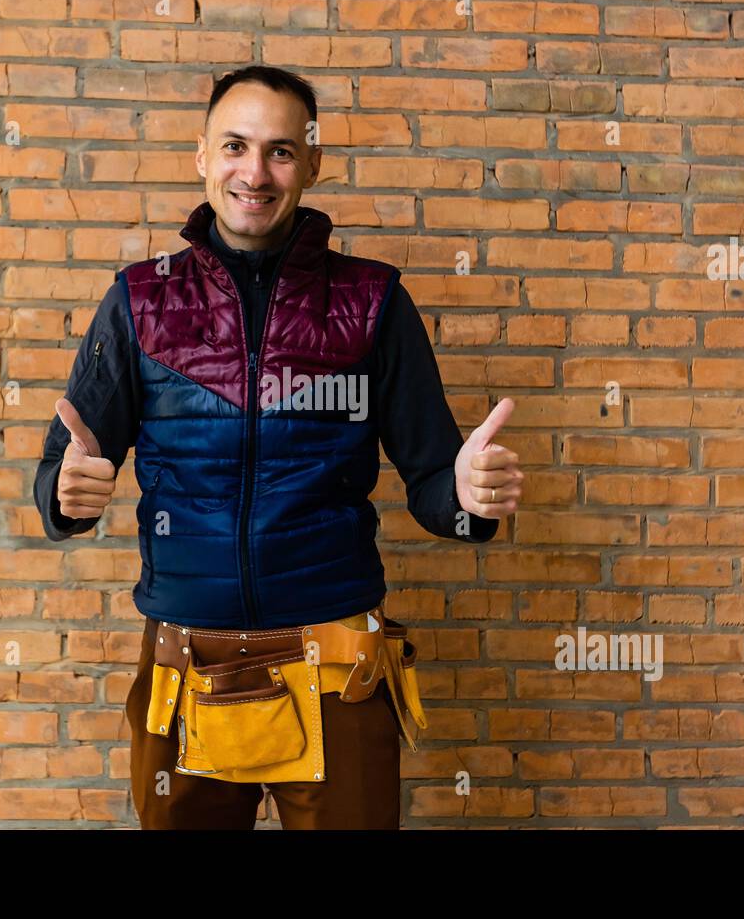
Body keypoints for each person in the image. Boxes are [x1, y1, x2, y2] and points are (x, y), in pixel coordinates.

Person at [33, 65, 522, 829]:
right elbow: (62, 470)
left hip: (339, 675)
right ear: (202, 156)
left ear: (314, 162)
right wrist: (63, 500)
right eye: (235, 146)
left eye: (281, 151)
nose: (254, 172)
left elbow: (435, 483)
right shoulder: (139, 300)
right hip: (184, 670)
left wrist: (466, 500)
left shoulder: (373, 300)